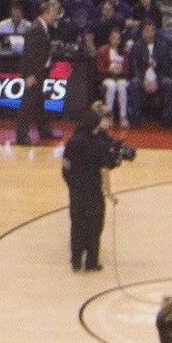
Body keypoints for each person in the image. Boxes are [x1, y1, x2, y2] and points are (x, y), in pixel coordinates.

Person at [60, 113, 125, 273]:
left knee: (77, 224)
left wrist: (71, 183)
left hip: (76, 190)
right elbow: (104, 169)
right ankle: (91, 261)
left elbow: (65, 164)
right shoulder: (98, 144)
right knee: (94, 225)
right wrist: (109, 193)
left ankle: (76, 261)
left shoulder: (73, 141)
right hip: (93, 190)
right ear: (96, 125)